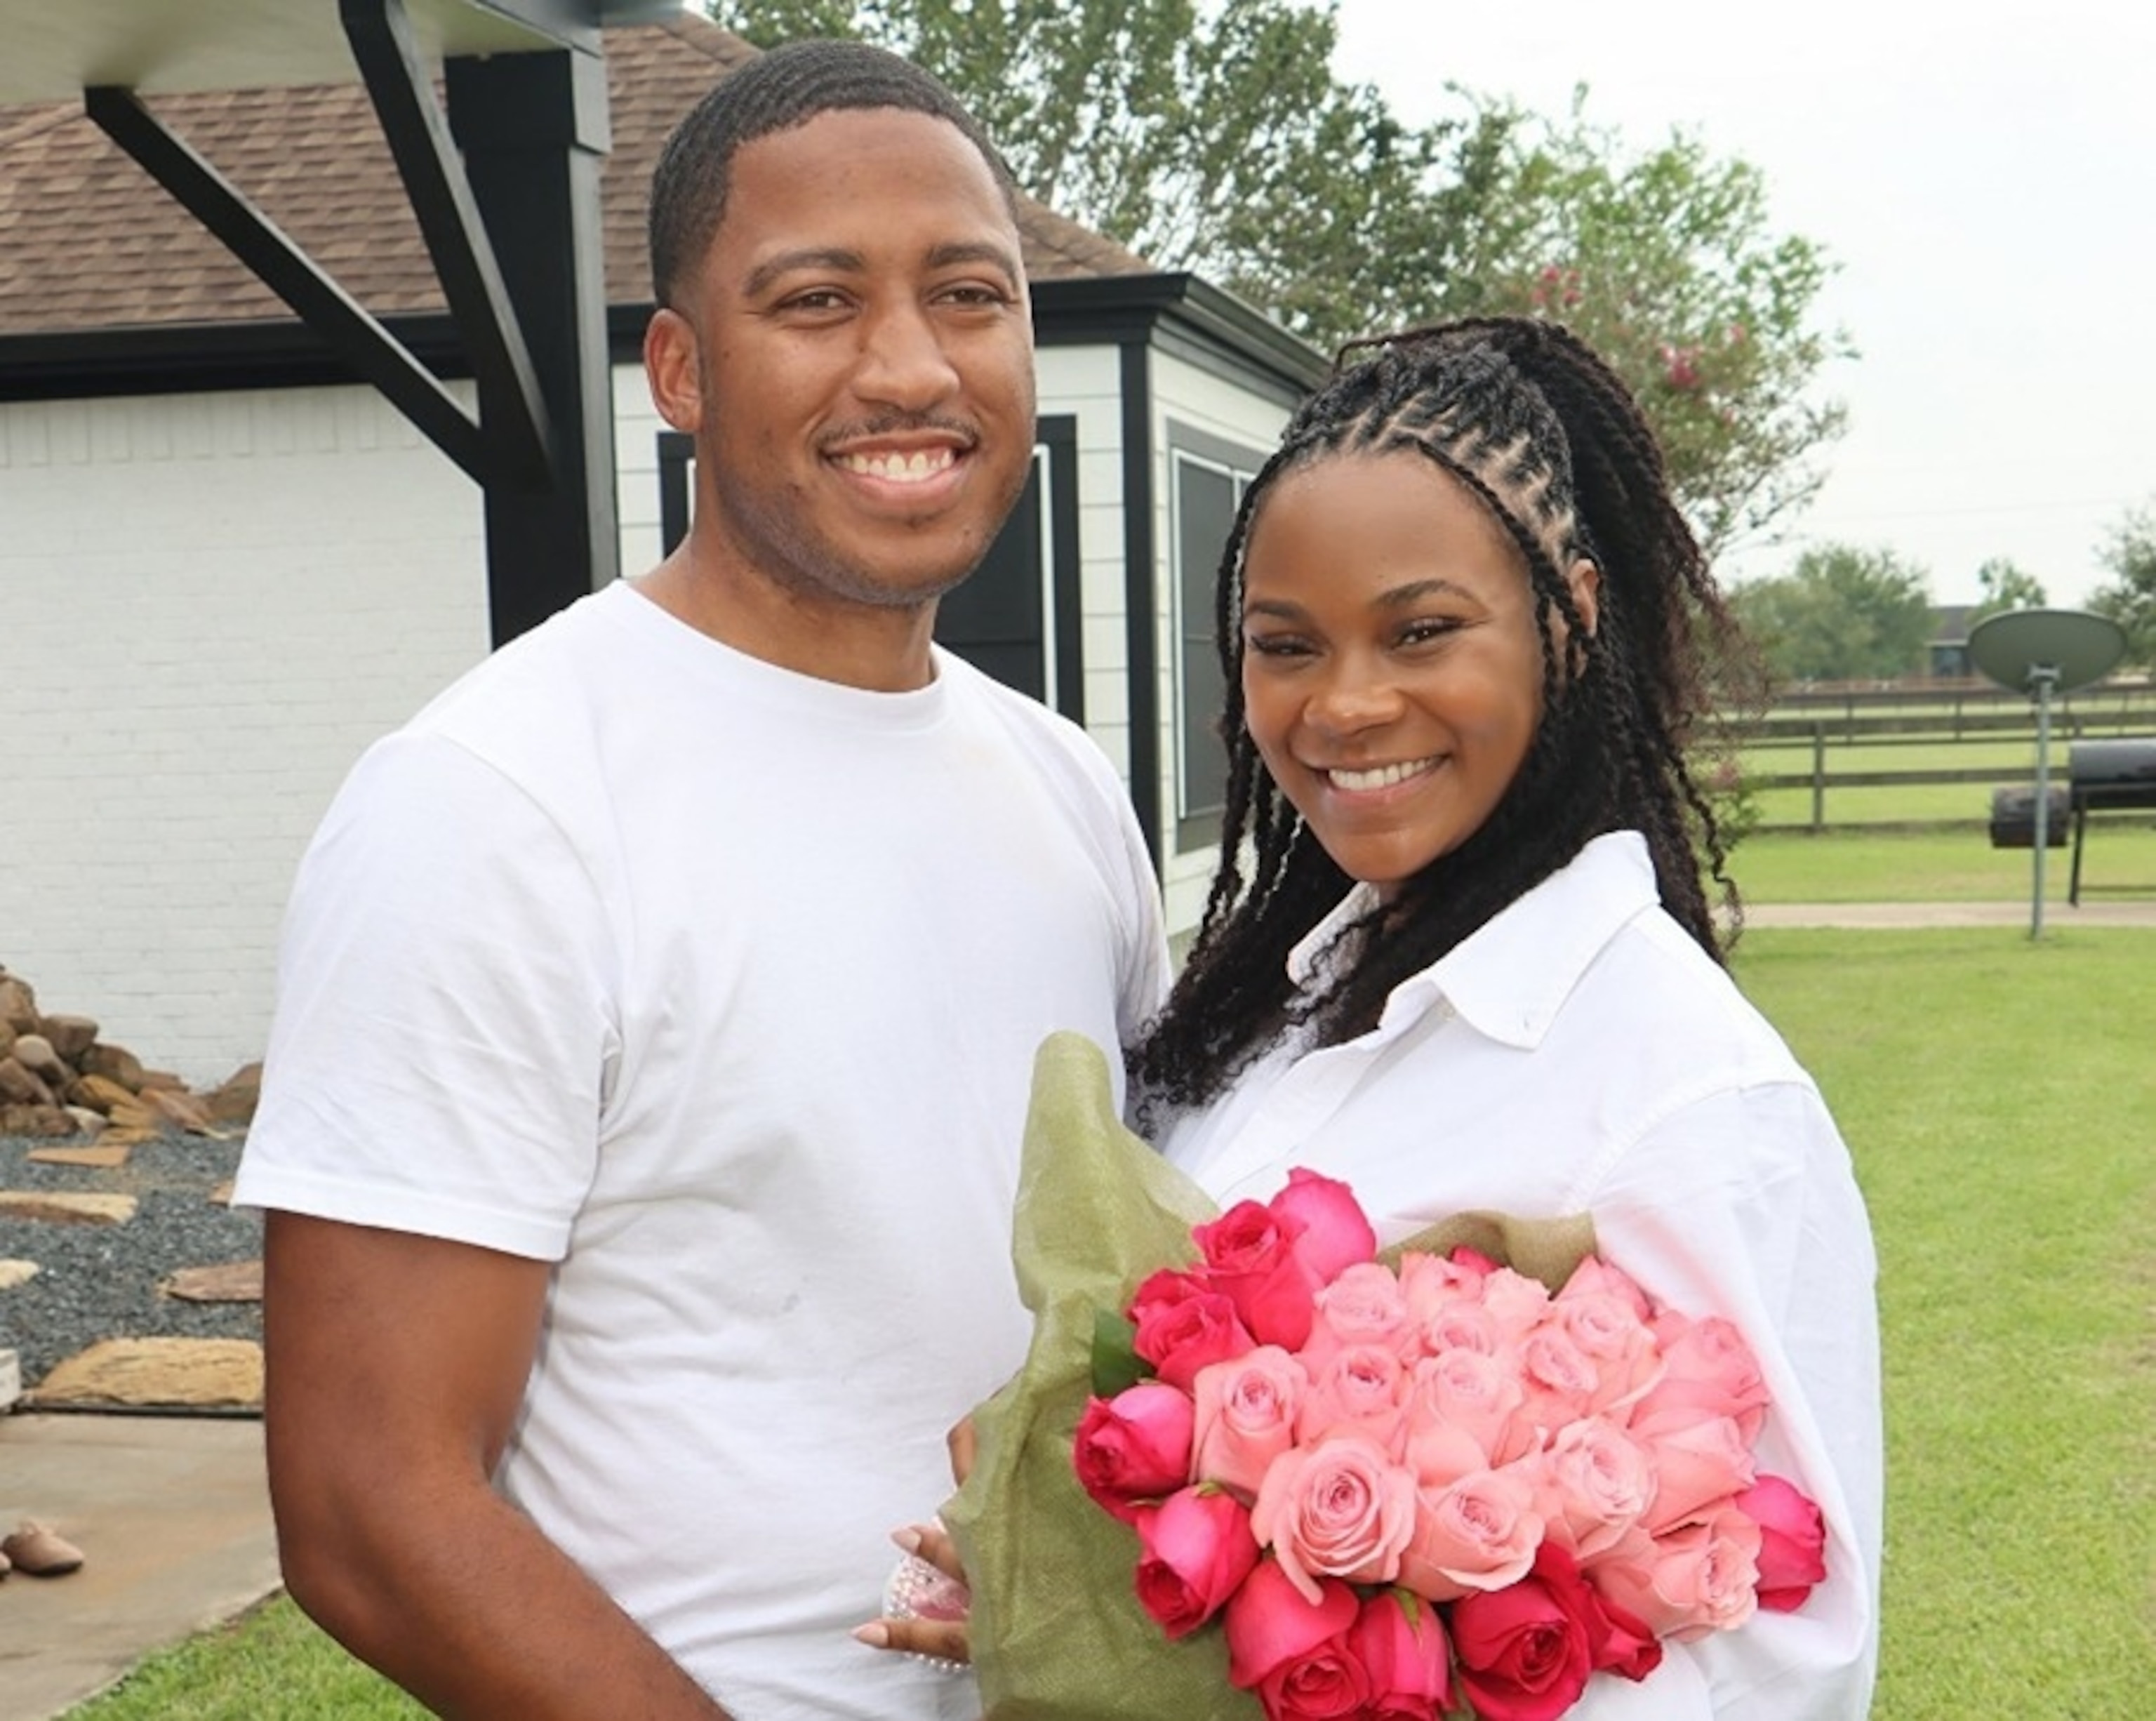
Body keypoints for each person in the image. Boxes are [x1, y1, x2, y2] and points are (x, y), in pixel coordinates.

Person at [233, 39, 1168, 1721]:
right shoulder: (496, 801)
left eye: (969, 294)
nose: (911, 368)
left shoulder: (1064, 782)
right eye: (817, 303)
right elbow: (371, 1504)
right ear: (678, 368)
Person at [879, 317, 1881, 1717]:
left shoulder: (1688, 1100)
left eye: (1420, 630)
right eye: (1286, 644)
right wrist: (1055, 1592)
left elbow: (1788, 1661)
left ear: (1571, 612)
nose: (1345, 704)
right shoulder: (1263, 1014)